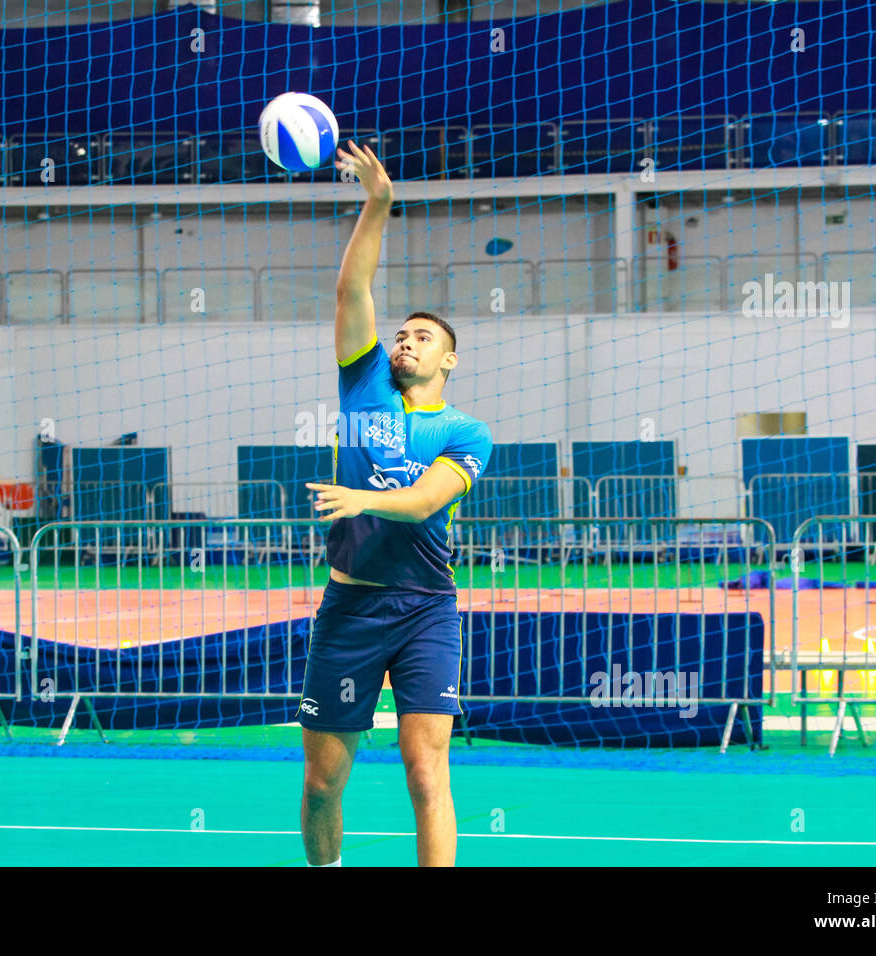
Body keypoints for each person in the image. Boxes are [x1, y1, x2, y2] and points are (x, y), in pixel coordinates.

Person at [298, 140, 493, 867]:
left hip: (424, 609)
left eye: (424, 338)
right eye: (402, 335)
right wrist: (376, 205)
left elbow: (427, 500)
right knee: (323, 782)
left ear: (448, 359)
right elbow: (354, 291)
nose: (406, 342)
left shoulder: (465, 429)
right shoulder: (363, 387)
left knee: (425, 767)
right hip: (349, 609)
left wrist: (363, 498)